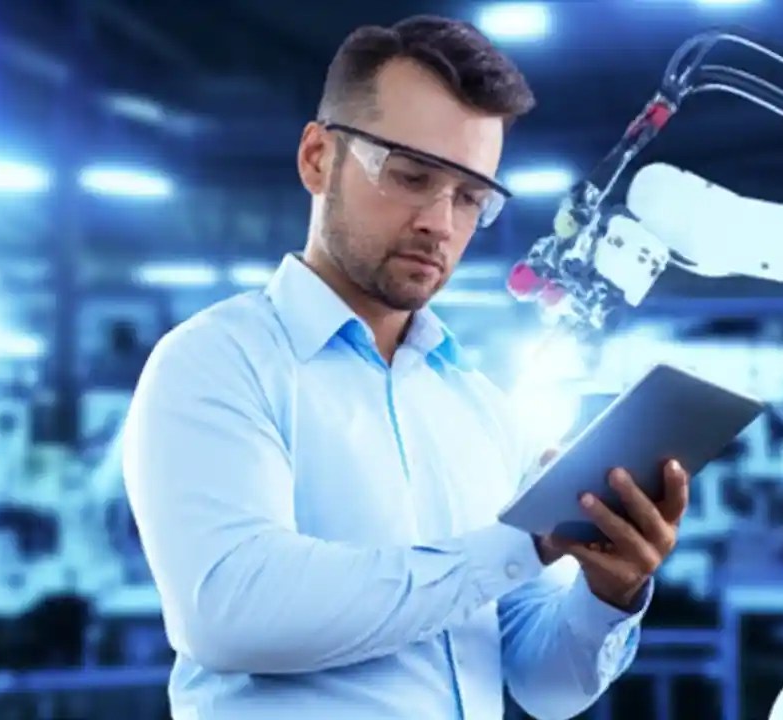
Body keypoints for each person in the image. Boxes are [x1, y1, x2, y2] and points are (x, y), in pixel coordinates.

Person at [121, 14, 692, 720]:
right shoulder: (216, 364)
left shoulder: (481, 410)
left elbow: (543, 687)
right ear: (318, 158)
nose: (440, 223)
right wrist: (520, 542)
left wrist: (609, 591)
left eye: (470, 197)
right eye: (412, 175)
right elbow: (233, 612)